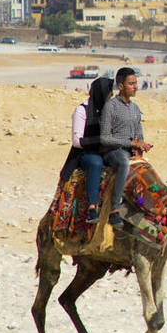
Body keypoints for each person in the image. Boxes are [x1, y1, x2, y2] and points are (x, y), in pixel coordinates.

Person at [99, 67, 153, 229]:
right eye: (131, 83)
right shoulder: (111, 107)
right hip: (113, 152)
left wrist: (142, 145)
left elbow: (139, 132)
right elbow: (104, 138)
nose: (135, 86)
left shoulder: (135, 108)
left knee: (147, 170)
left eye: (136, 83)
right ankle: (114, 210)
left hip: (132, 151)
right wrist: (131, 144)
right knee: (123, 162)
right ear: (121, 86)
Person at [58, 76, 113, 224]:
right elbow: (77, 141)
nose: (111, 96)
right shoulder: (81, 111)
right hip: (85, 153)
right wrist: (100, 140)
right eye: (109, 93)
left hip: (105, 150)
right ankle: (91, 208)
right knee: (96, 163)